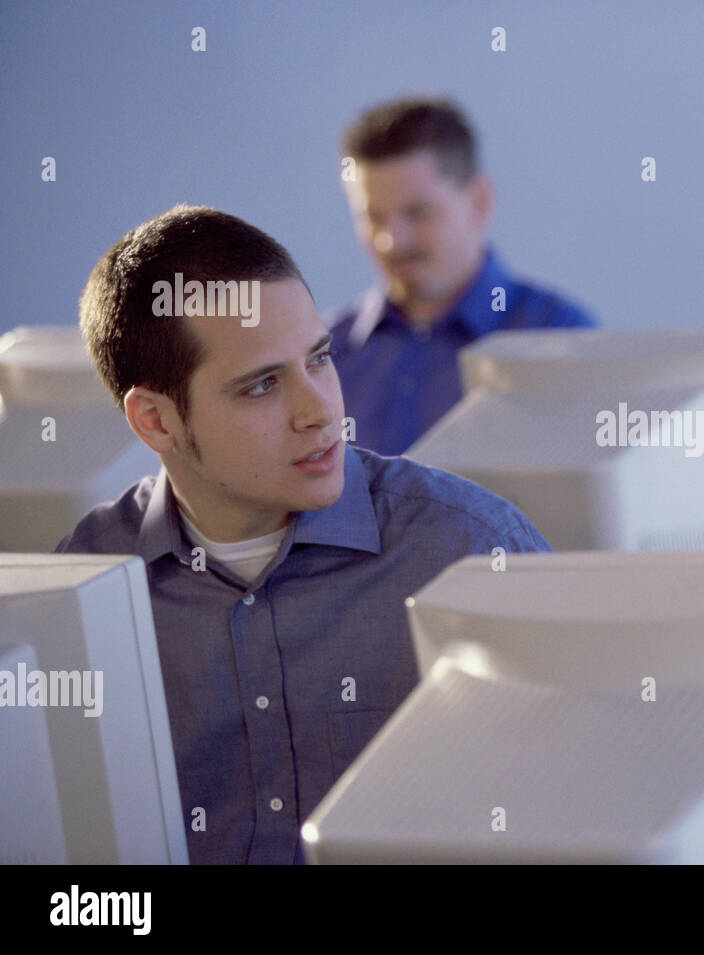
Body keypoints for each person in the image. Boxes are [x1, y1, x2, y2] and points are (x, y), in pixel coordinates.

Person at [58, 205, 551, 864]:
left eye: (318, 358)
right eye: (262, 385)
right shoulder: (80, 598)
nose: (321, 411)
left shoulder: (467, 546)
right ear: (154, 421)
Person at [330, 96, 597, 455]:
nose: (392, 241)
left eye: (417, 213)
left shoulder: (560, 339)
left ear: (479, 202)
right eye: (373, 217)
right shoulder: (325, 354)